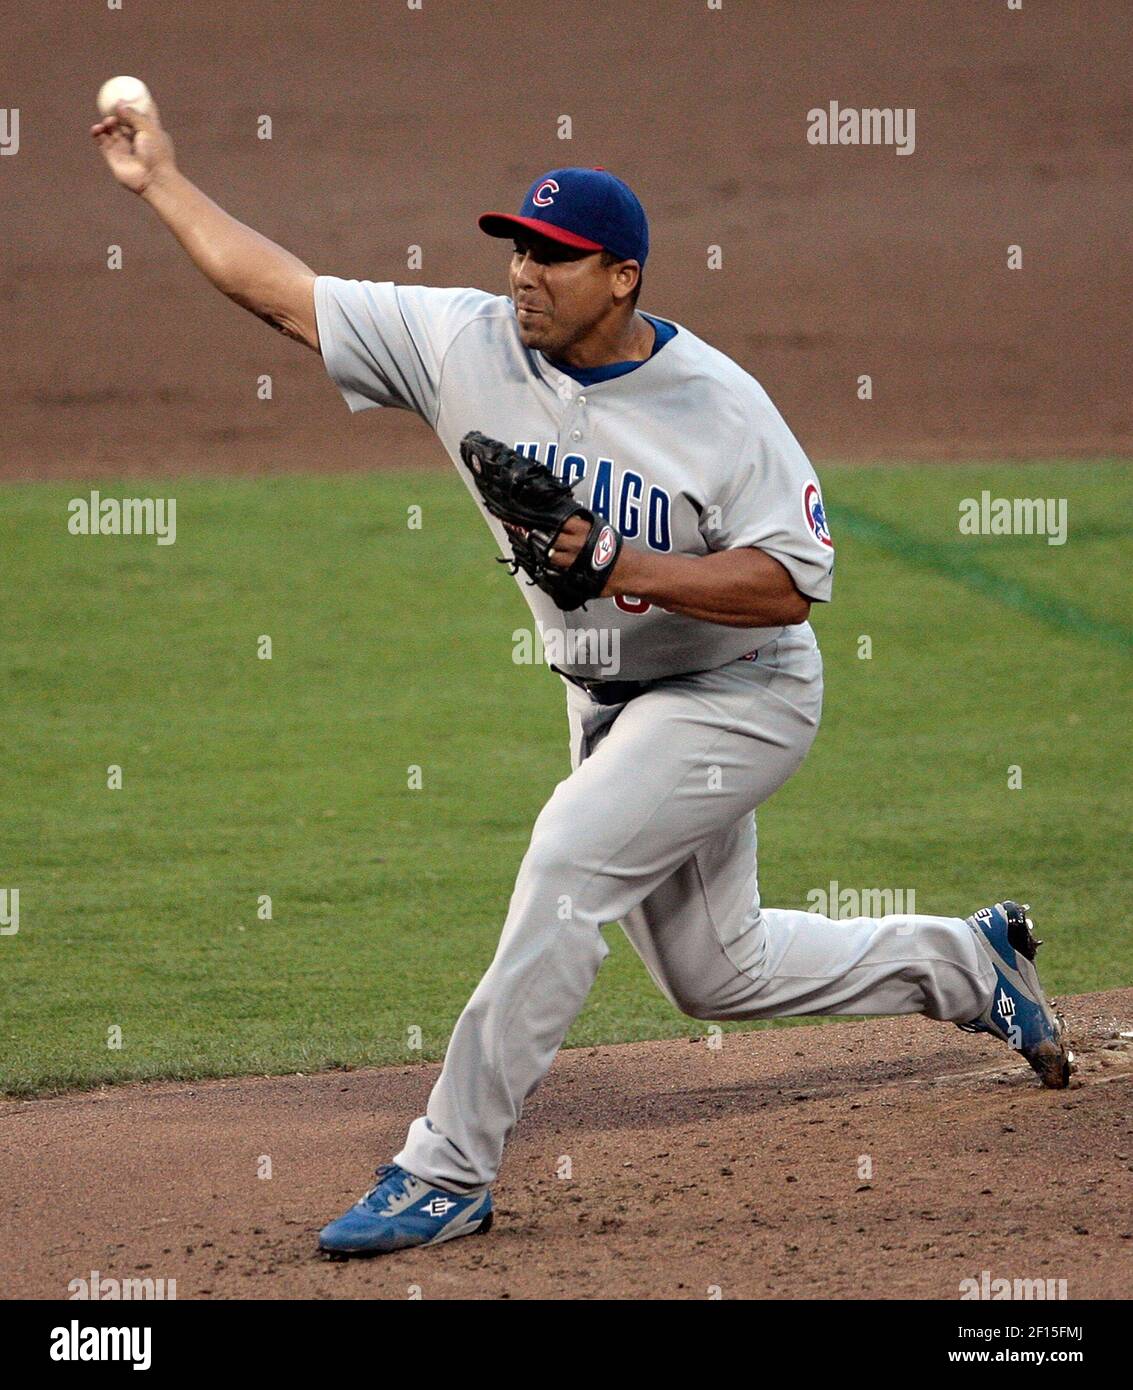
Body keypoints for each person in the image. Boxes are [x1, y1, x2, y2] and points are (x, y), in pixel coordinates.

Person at [92, 100, 1072, 1260]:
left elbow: (790, 586)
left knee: (564, 865)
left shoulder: (720, 407)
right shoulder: (463, 343)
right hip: (606, 700)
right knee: (720, 972)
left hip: (740, 693)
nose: (522, 273)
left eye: (551, 257)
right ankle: (971, 964)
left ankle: (445, 1167)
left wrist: (623, 561)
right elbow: (281, 291)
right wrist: (159, 182)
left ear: (620, 277)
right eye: (515, 248)